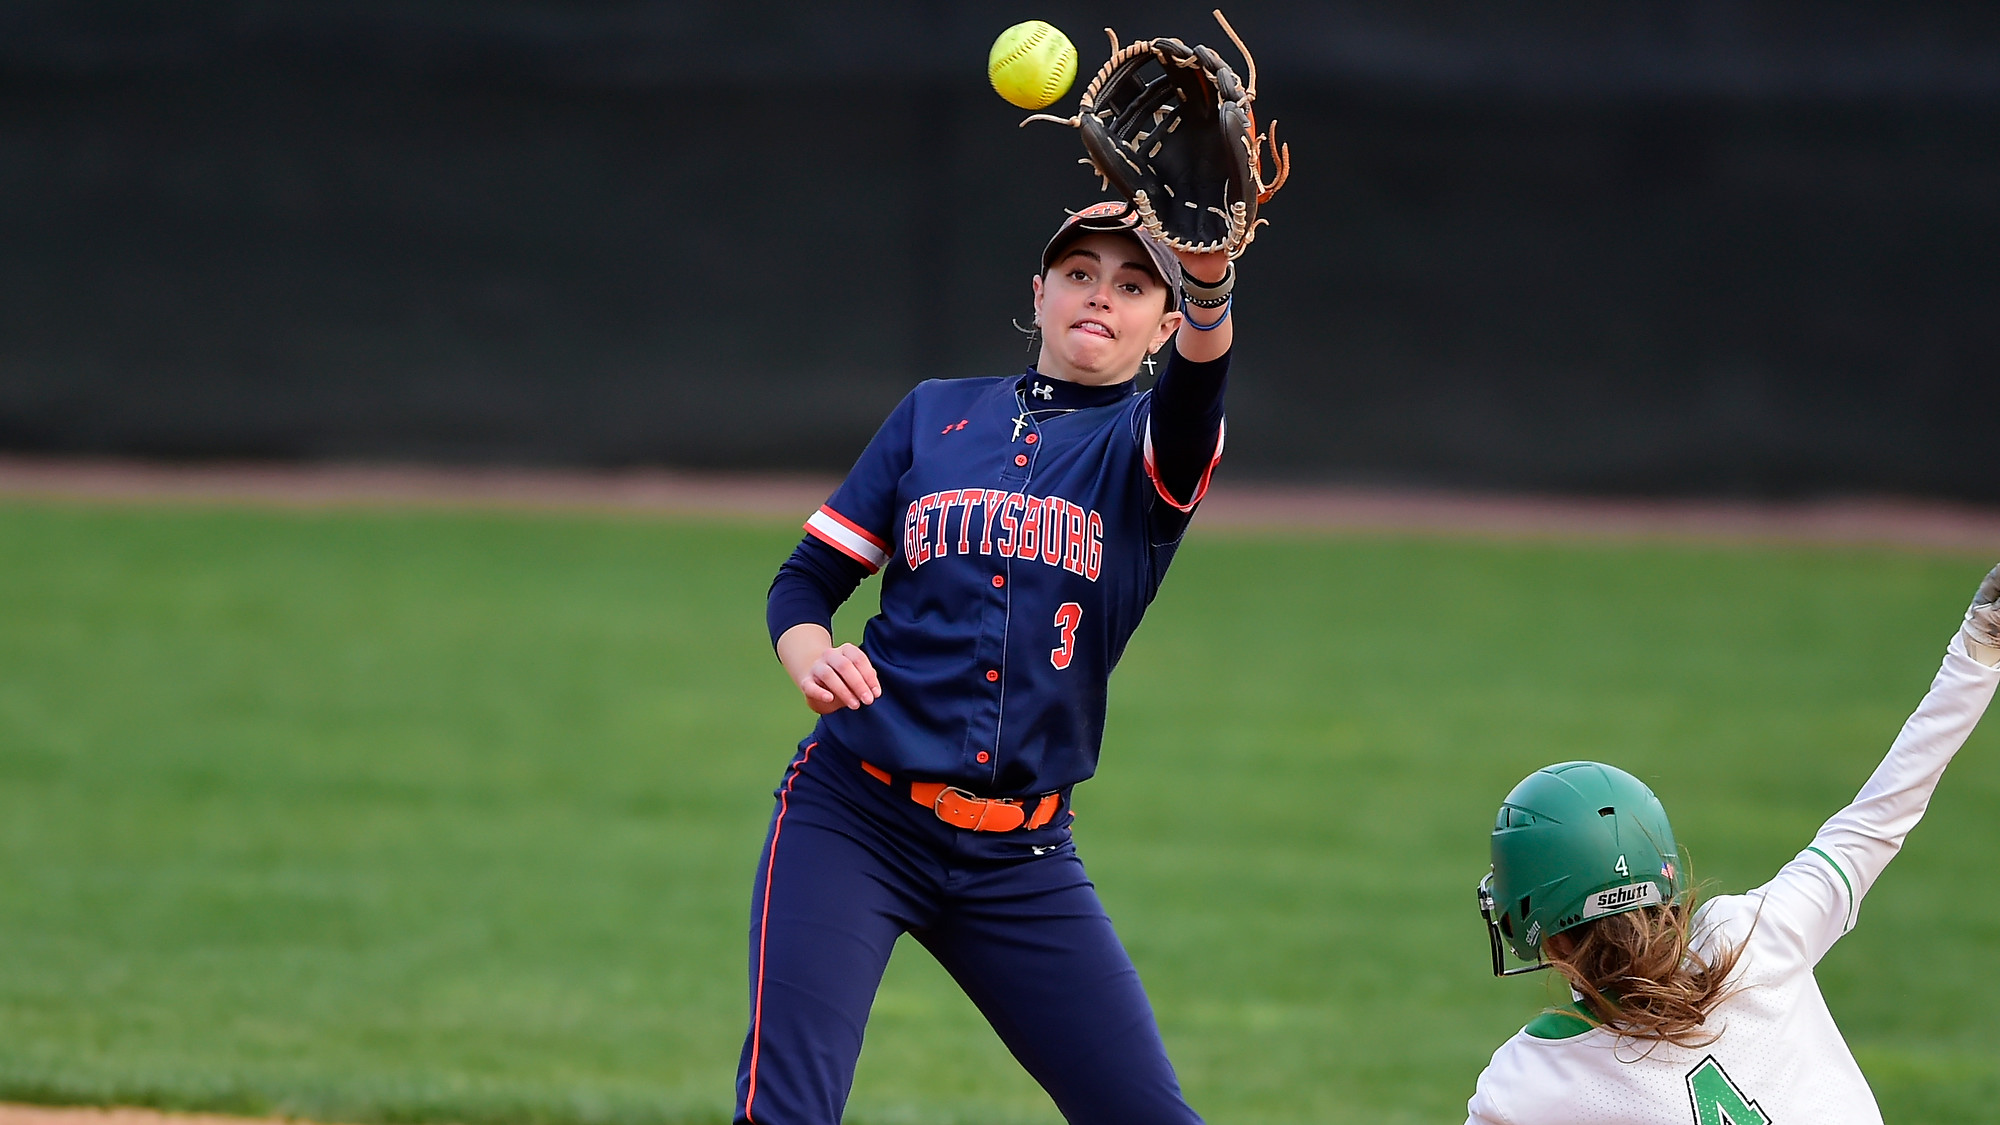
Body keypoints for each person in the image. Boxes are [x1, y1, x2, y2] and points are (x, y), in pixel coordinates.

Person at [737, 200, 1240, 1125]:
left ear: (1163, 326)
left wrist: (1209, 285)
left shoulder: (1148, 453)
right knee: (787, 1114)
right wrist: (812, 655)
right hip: (856, 814)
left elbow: (1202, 383)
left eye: (1133, 286)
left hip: (1023, 853)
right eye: (1080, 273)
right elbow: (805, 580)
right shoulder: (934, 415)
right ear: (1039, 292)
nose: (1101, 296)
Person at [1466, 564, 2000, 1124]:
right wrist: (1977, 648)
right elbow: (1880, 813)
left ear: (1542, 933)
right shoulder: (1755, 936)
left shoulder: (1528, 1083)